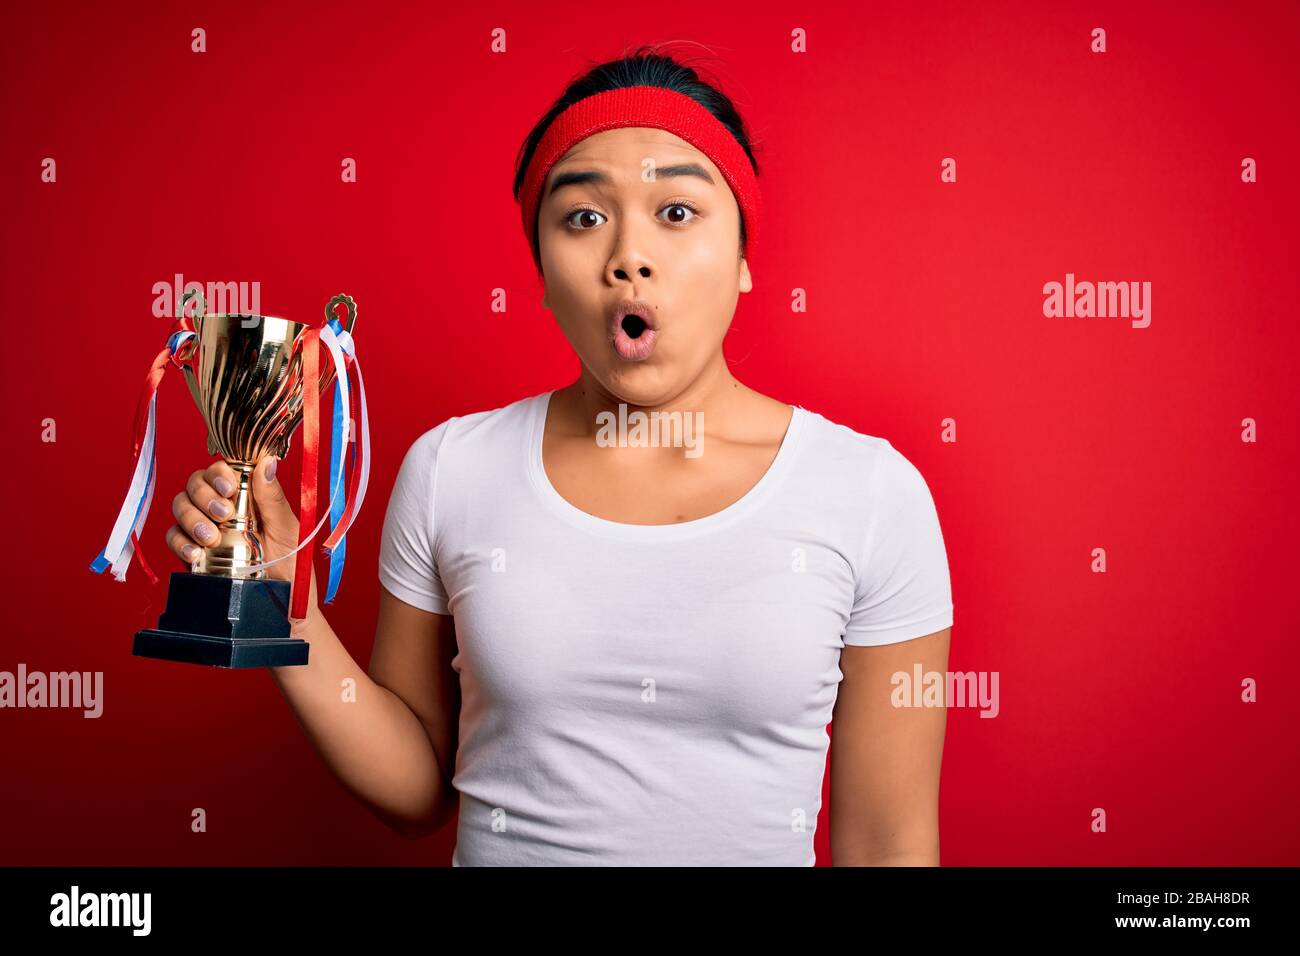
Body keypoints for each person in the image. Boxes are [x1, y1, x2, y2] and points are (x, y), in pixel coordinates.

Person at [164, 45, 954, 866]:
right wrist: (285, 610)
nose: (628, 257)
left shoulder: (868, 493)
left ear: (747, 259)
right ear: (541, 272)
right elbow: (419, 789)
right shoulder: (451, 471)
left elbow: (888, 842)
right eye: (582, 217)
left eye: (677, 212)